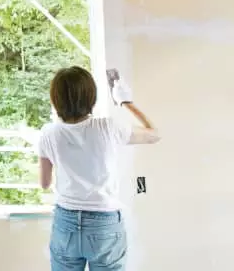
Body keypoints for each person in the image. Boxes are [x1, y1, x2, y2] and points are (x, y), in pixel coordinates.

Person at [37, 66, 160, 271]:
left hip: (65, 222)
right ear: (90, 97)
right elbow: (154, 134)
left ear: (55, 99)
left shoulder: (49, 134)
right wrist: (126, 102)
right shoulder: (107, 128)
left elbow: (44, 183)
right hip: (104, 224)